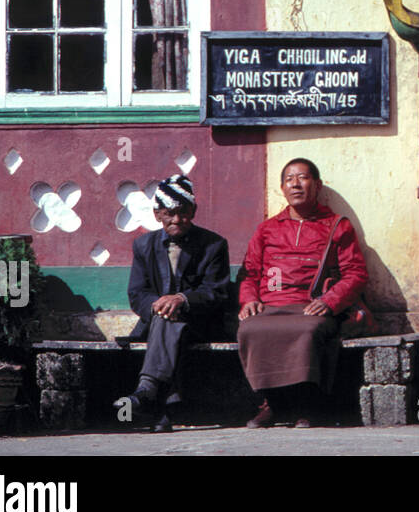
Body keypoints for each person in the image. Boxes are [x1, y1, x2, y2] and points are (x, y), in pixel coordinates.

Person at [238, 158, 368, 428]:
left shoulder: (336, 225)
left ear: (318, 185)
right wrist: (249, 299)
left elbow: (356, 273)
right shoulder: (266, 229)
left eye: (303, 178)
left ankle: (307, 404)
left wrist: (330, 301)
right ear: (282, 189)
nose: (295, 184)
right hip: (270, 306)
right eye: (289, 179)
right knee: (251, 329)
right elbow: (250, 272)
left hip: (311, 305)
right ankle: (270, 403)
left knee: (308, 330)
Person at [119, 174, 230, 432]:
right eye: (169, 213)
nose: (177, 220)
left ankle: (148, 390)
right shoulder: (143, 245)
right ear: (157, 214)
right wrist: (159, 305)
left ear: (194, 211)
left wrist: (182, 299)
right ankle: (167, 404)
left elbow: (217, 291)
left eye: (183, 212)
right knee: (167, 318)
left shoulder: (213, 245)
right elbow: (137, 293)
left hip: (200, 322)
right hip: (159, 323)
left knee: (172, 320)